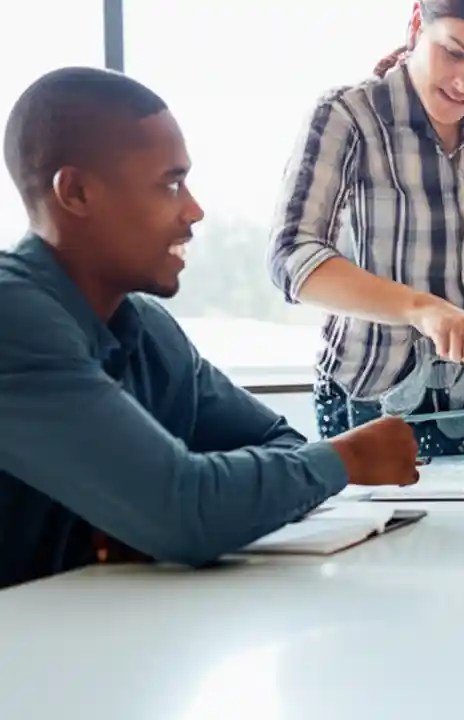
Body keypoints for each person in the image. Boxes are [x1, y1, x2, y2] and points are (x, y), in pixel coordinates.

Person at [0, 67, 419, 589]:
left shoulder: (150, 329)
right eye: (170, 184)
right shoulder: (13, 317)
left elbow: (278, 442)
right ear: (78, 192)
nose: (193, 210)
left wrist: (179, 502)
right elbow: (184, 512)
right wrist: (345, 458)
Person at [268, 0, 464, 459]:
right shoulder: (347, 115)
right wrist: (423, 310)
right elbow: (291, 256)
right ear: (418, 23)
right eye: (453, 53)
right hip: (369, 396)